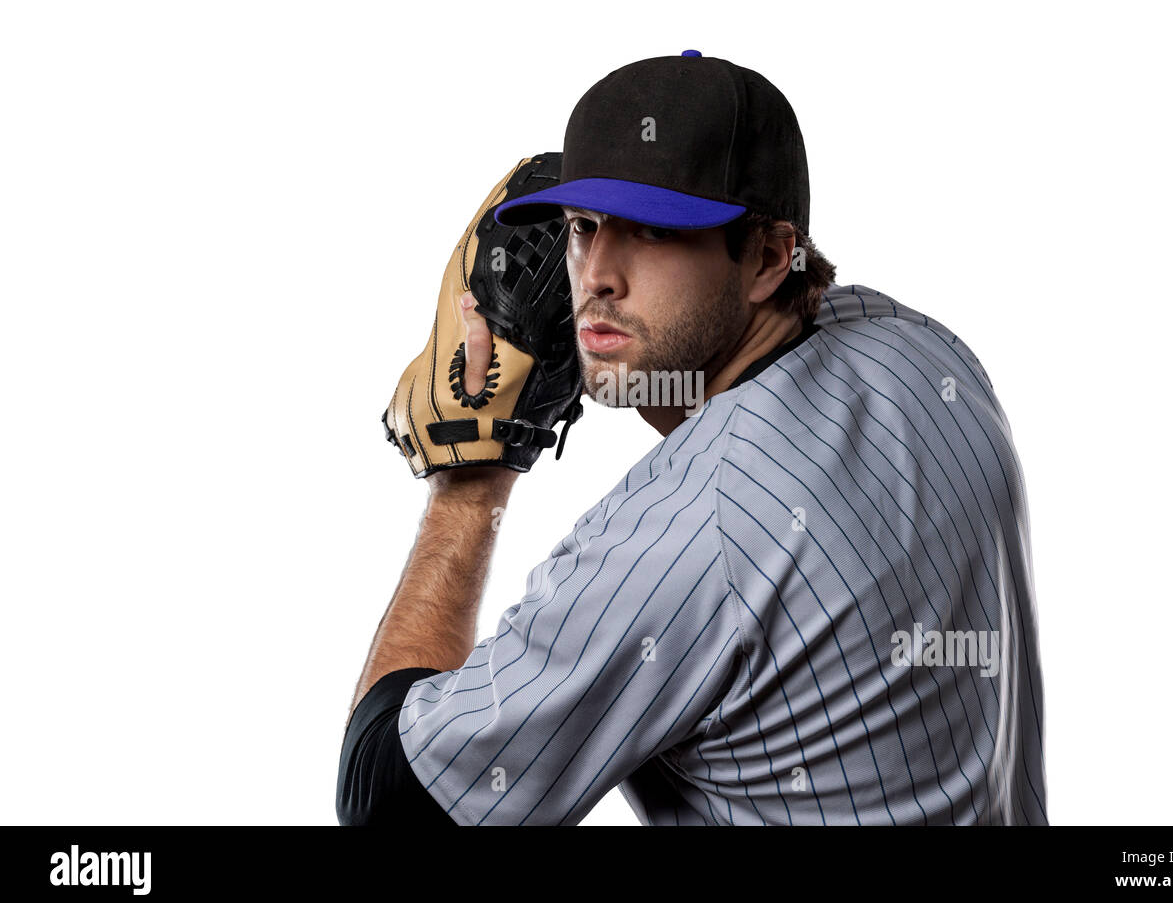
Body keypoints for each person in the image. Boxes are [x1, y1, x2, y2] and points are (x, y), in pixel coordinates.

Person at [337, 52, 1047, 825]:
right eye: (583, 228)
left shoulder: (689, 531)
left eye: (652, 231)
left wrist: (471, 489)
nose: (596, 277)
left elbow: (389, 806)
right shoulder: (928, 352)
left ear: (770, 258)